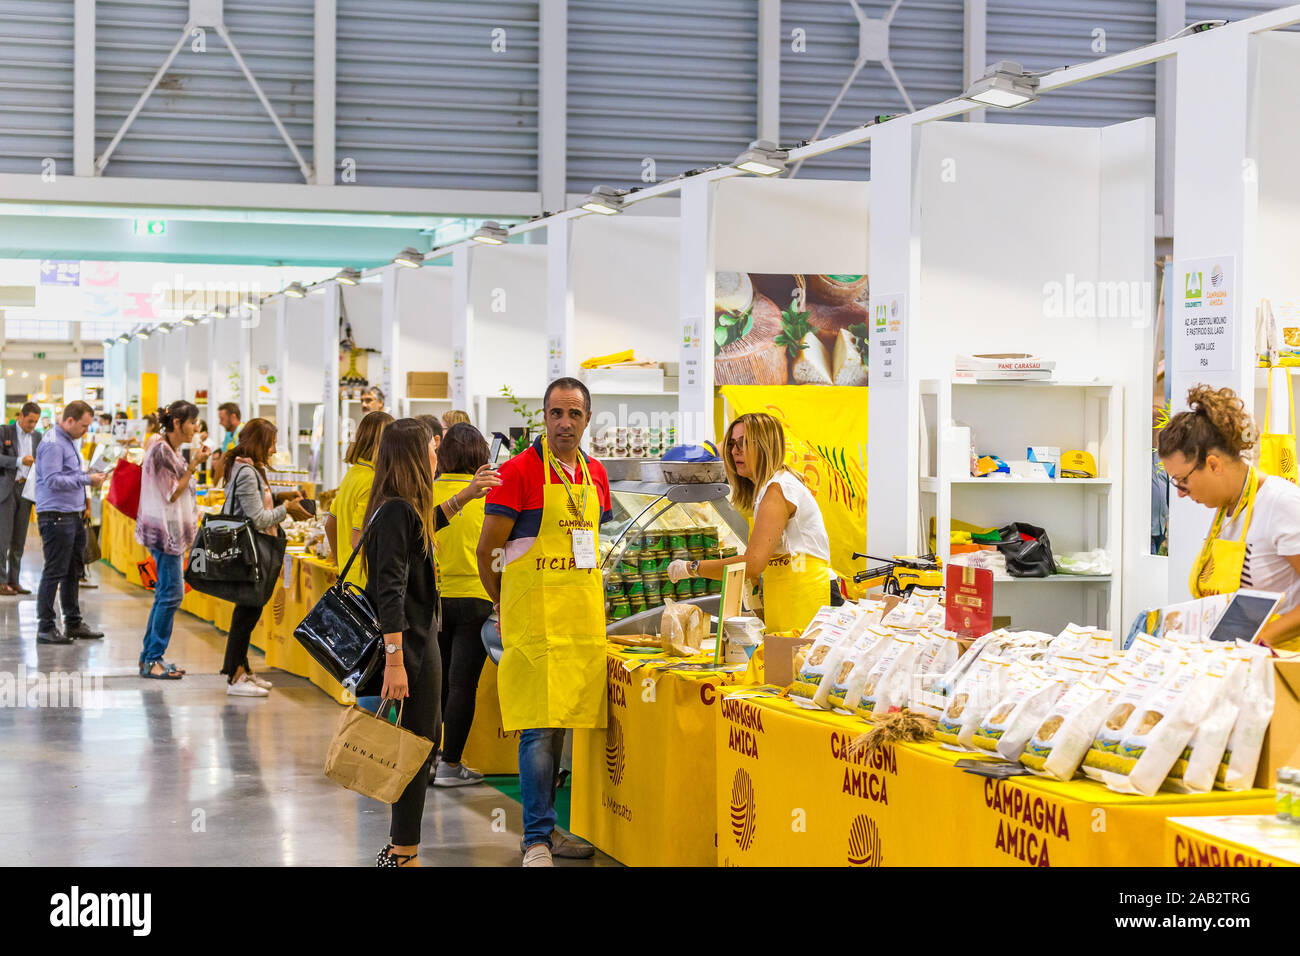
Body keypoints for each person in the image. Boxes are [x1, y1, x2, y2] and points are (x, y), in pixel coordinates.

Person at [477, 377, 612, 867]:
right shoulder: (518, 473)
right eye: (556, 413)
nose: (564, 423)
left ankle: (551, 831)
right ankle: (535, 839)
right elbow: (488, 551)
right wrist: (503, 603)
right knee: (538, 729)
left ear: (587, 420)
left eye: (574, 414)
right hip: (534, 622)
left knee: (567, 726)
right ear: (544, 416)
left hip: (579, 621)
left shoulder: (596, 474)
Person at [361, 418, 500, 867]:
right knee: (417, 749)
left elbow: (426, 528)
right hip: (413, 650)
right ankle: (404, 853)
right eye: (430, 448)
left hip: (419, 646)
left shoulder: (398, 508)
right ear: (413, 457)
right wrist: (397, 661)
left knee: (419, 747)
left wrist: (464, 496)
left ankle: (403, 848)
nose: (436, 455)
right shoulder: (397, 510)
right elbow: (390, 591)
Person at [1159, 385, 1300, 650]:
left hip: (1283, 667)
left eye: (1182, 482)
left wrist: (1264, 636)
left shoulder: (1282, 503)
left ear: (1213, 465)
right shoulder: (1226, 510)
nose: (1180, 494)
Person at [670, 412, 833, 634]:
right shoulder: (767, 489)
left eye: (743, 443)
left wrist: (692, 568)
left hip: (807, 597)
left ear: (765, 446)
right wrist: (755, 601)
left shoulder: (779, 489)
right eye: (732, 444)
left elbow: (753, 563)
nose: (735, 451)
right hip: (788, 597)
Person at [220, 418, 310, 696]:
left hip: (254, 553)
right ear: (260, 443)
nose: (274, 449)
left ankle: (242, 669)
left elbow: (258, 502)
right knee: (246, 614)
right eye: (271, 443)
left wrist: (284, 497)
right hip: (252, 553)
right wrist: (288, 509)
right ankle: (235, 675)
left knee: (247, 611)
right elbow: (257, 518)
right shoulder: (247, 472)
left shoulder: (250, 470)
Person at [430, 423, 494, 787]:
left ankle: (428, 761)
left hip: (436, 599)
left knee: (436, 685)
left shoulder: (429, 492)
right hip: (477, 599)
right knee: (462, 685)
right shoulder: (486, 496)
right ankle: (451, 765)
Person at [135, 401, 210, 679]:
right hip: (165, 535)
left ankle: (149, 657)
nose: (196, 427)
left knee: (165, 595)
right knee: (171, 595)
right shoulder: (161, 451)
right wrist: (194, 466)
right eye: (193, 422)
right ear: (177, 423)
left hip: (172, 533)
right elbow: (172, 493)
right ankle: (153, 657)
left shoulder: (170, 450)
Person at [33, 401, 106, 645]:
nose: (86, 430)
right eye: (83, 426)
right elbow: (53, 480)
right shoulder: (54, 442)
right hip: (56, 516)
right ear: (70, 420)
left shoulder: (68, 440)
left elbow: (68, 474)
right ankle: (45, 626)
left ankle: (73, 622)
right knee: (55, 571)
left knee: (74, 570)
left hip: (71, 515)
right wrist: (86, 479)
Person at [326, 410, 392, 585]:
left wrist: (340, 561)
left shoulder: (353, 473)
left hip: (349, 575)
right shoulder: (372, 481)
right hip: (365, 580)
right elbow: (359, 541)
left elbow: (330, 523)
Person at [0, 402, 42, 596]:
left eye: (35, 422)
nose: (32, 425)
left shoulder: (37, 436)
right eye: (30, 420)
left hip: (27, 491)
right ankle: (1, 582)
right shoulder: (5, 432)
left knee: (19, 540)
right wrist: (19, 461)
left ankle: (14, 581)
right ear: (20, 416)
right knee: (3, 538)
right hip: (7, 490)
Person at [210, 402, 242, 482]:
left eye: (222, 419)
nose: (220, 422)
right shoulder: (229, 434)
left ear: (233, 417)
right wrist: (215, 485)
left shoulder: (244, 432)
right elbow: (222, 459)